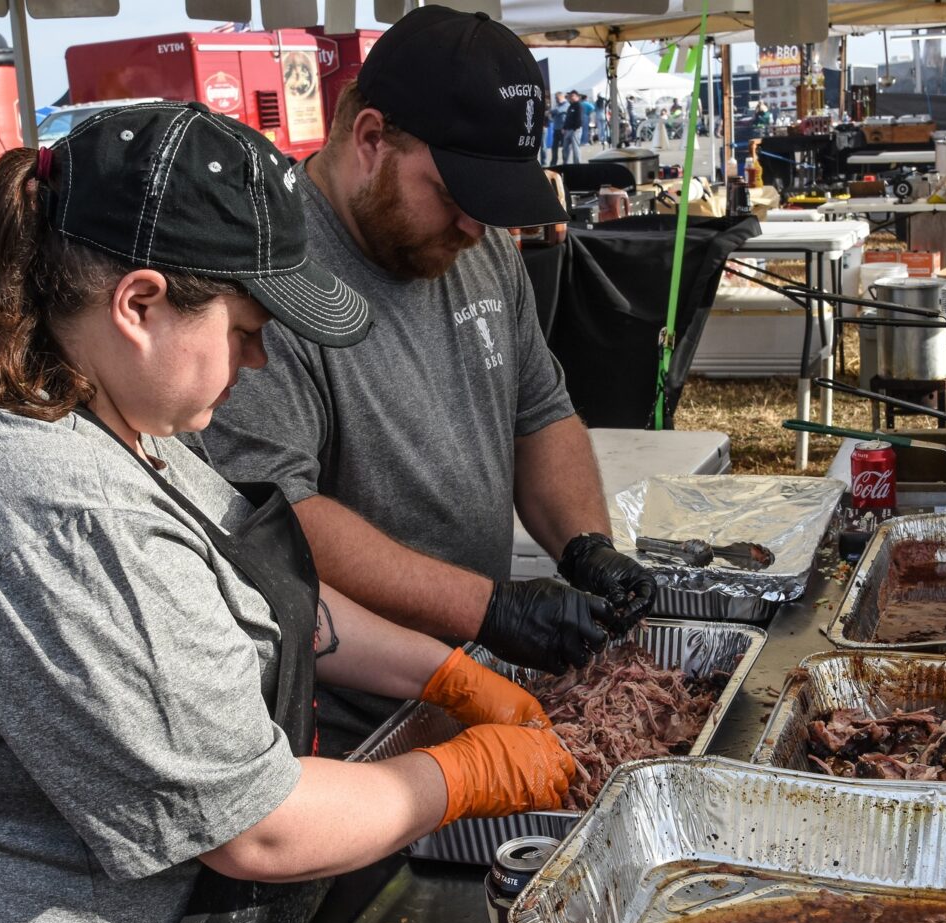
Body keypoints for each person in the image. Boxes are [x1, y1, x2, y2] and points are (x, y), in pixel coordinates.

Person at [0, 102, 572, 923]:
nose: (257, 362)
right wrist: (463, 776)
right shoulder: (53, 515)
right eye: (246, 329)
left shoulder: (73, 397)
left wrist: (441, 671)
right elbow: (259, 828)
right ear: (138, 304)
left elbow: (266, 590)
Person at [201, 8, 658, 753]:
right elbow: (280, 514)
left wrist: (586, 548)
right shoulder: (274, 274)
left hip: (474, 676)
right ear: (372, 139)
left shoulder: (481, 244)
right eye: (452, 194)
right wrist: (489, 607)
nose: (473, 227)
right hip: (342, 717)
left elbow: (539, 411)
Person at [562, 89, 585, 162]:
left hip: (575, 130)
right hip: (568, 130)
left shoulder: (579, 106)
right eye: (570, 96)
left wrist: (576, 128)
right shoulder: (570, 107)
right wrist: (564, 127)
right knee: (565, 148)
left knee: (575, 148)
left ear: (577, 97)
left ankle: (577, 164)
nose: (571, 97)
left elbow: (579, 119)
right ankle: (565, 163)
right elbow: (567, 118)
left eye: (573, 96)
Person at [548, 90, 569, 165]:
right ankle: (553, 162)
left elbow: (558, 111)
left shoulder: (566, 104)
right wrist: (551, 113)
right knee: (554, 148)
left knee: (564, 147)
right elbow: (552, 114)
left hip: (563, 129)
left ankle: (565, 162)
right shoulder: (557, 105)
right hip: (556, 129)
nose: (556, 99)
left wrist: (551, 112)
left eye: (557, 98)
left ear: (561, 97)